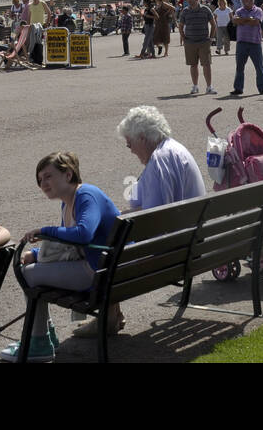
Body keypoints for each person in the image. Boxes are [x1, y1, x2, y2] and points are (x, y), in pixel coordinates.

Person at [74, 106, 208, 338]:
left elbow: (152, 219)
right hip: (189, 246)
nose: (130, 149)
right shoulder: (175, 149)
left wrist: (118, 219)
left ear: (143, 138)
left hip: (170, 254)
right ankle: (112, 315)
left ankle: (107, 318)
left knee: (98, 244)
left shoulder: (159, 161)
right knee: (108, 237)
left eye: (130, 143)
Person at [1, 152, 121, 362]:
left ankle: (39, 342)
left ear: (68, 174)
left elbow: (84, 234)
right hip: (111, 270)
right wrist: (37, 255)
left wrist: (44, 231)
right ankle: (45, 337)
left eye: (48, 176)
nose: (43, 183)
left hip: (100, 273)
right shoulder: (68, 202)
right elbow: (70, 247)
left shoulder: (86, 195)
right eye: (40, 180)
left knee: (28, 275)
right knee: (30, 269)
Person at [178, 0, 217, 95]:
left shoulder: (205, 9)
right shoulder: (185, 11)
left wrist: (211, 38)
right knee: (193, 65)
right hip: (190, 42)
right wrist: (183, 37)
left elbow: (213, 24)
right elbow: (180, 26)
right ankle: (195, 86)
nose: (188, 0)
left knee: (206, 65)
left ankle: (209, 87)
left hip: (204, 41)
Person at [230, 0, 263, 96]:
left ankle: (262, 88)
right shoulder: (239, 11)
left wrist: (243, 20)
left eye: (246, 1)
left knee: (259, 67)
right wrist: (248, 19)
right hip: (241, 42)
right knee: (239, 67)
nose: (244, 3)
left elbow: (255, 22)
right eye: (243, 1)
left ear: (252, 1)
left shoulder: (258, 10)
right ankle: (238, 88)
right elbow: (235, 20)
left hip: (255, 42)